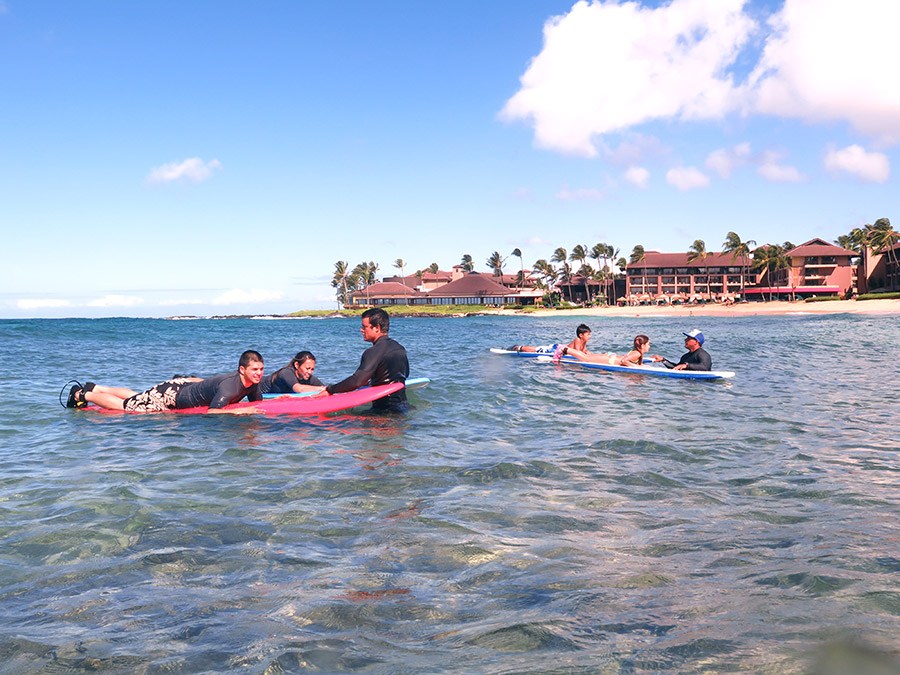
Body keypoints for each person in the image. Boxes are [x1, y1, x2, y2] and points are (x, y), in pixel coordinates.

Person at [64, 350, 266, 414]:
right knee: (129, 406)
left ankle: (96, 387)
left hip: (184, 385)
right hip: (171, 396)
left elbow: (258, 402)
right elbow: (213, 412)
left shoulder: (252, 383)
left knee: (139, 397)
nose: (259, 373)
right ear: (242, 370)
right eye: (254, 369)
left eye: (261, 369)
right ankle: (82, 394)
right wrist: (240, 411)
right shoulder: (230, 385)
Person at [324, 308, 409, 411]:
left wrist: (330, 389)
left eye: (364, 327)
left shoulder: (373, 351)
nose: (361, 330)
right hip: (404, 406)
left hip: (384, 411)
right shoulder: (400, 348)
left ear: (377, 328)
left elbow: (356, 381)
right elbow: (403, 375)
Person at [565, 334, 663, 366]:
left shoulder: (637, 352)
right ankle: (565, 349)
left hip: (611, 357)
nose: (649, 346)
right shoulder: (637, 353)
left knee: (587, 357)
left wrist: (651, 361)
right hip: (610, 360)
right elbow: (624, 361)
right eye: (648, 344)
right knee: (586, 358)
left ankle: (566, 350)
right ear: (642, 346)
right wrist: (635, 366)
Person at [259, 350, 326, 395]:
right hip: (258, 389)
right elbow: (299, 389)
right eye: (307, 368)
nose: (309, 372)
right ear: (296, 365)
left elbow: (324, 387)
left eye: (312, 369)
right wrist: (321, 389)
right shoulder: (286, 373)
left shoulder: (308, 377)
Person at [508, 324, 593, 355]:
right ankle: (518, 347)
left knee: (538, 349)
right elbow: (578, 352)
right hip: (555, 349)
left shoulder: (584, 342)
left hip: (559, 350)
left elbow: (584, 351)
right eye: (588, 334)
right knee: (537, 349)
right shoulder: (577, 340)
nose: (590, 336)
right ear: (581, 335)